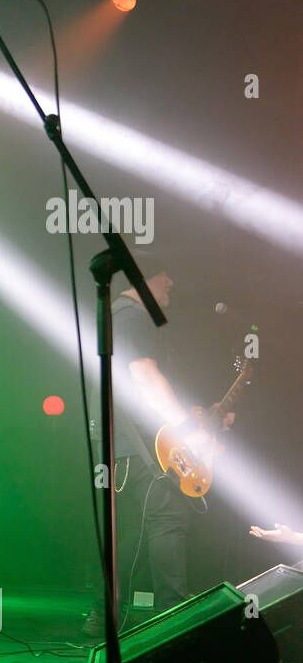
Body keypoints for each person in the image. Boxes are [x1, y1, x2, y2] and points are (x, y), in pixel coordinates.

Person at [82, 254, 233, 638]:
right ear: (145, 280)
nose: (171, 285)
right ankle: (173, 624)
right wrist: (191, 430)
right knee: (166, 522)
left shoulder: (115, 315)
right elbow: (144, 377)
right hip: (141, 447)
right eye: (167, 278)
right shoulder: (133, 315)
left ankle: (102, 616)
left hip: (122, 445)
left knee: (129, 533)